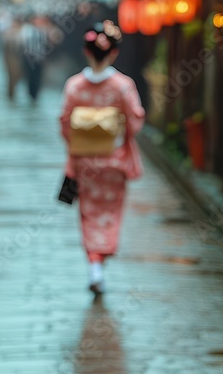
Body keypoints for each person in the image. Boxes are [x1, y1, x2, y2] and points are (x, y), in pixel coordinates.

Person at [59, 20, 145, 296]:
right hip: (114, 159)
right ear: (114, 53)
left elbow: (64, 123)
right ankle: (100, 260)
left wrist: (78, 143)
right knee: (110, 212)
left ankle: (94, 265)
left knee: (89, 213)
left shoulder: (74, 86)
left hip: (85, 161)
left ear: (86, 51)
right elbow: (135, 121)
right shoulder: (123, 86)